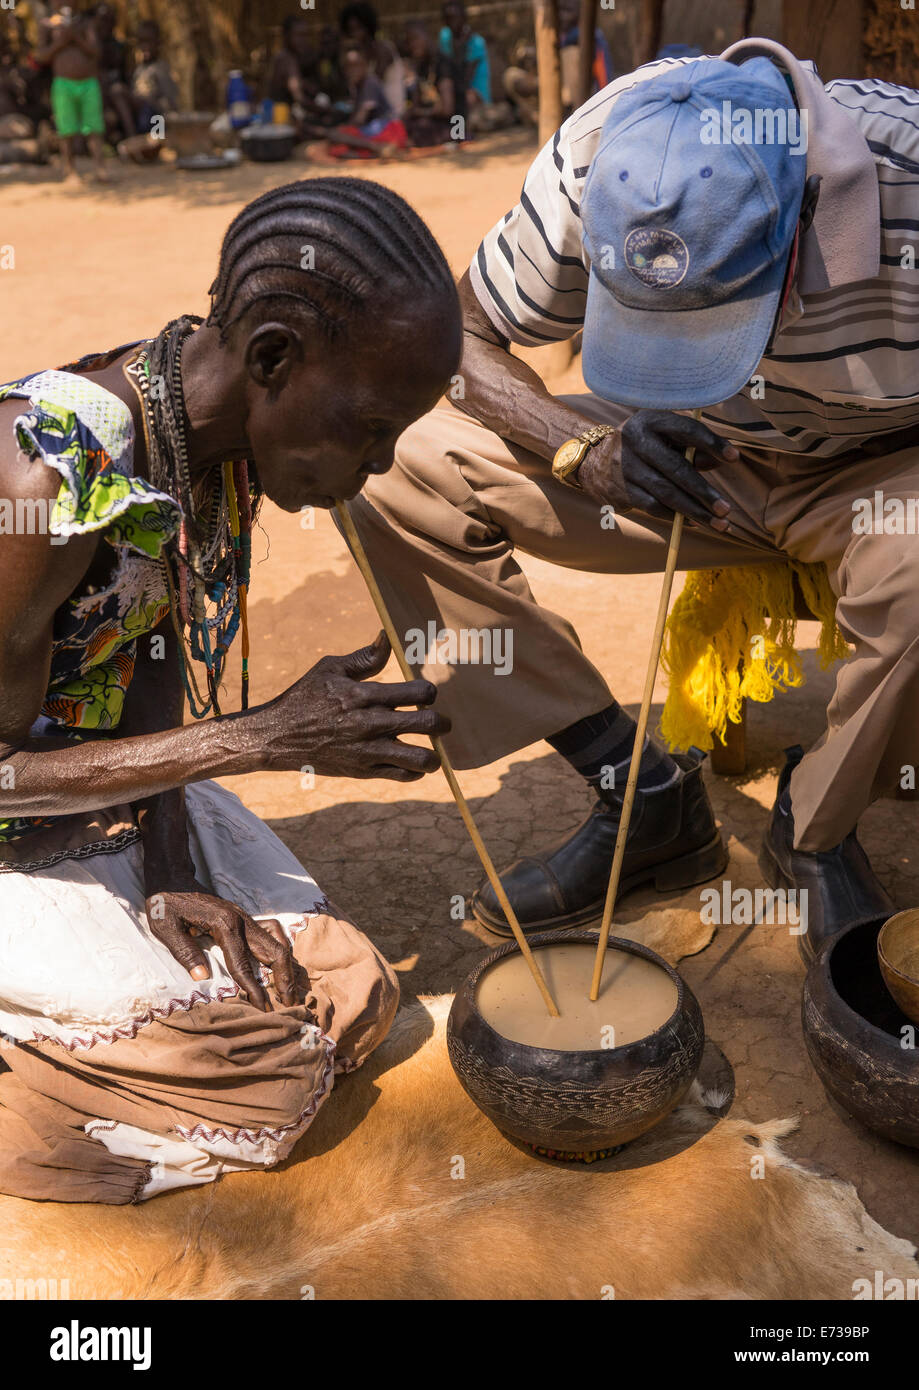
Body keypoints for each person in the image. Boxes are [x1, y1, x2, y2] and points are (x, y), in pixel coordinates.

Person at [344, 38, 919, 967]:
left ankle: (813, 833)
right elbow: (462, 338)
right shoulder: (596, 158)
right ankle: (642, 794)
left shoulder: (909, 181)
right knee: (398, 458)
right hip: (684, 463)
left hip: (880, 474)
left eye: (712, 319)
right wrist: (582, 447)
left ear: (805, 218)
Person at [0, 177, 461, 1204]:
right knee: (259, 1080)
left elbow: (149, 654)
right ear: (272, 360)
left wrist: (173, 868)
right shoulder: (39, 481)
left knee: (347, 994)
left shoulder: (203, 437)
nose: (380, 462)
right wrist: (259, 738)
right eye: (372, 424)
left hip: (93, 795)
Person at [36, 0, 108, 181]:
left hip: (89, 84)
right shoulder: (47, 25)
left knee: (94, 127)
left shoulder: (85, 23)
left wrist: (76, 37)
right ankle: (70, 170)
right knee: (65, 129)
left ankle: (100, 169)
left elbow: (96, 52)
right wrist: (62, 41)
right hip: (62, 85)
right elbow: (41, 56)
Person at [329, 45, 408, 157]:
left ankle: (376, 147)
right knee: (339, 139)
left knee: (335, 135)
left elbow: (359, 119)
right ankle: (371, 151)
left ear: (365, 65)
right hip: (377, 129)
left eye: (356, 65)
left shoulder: (369, 83)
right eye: (349, 66)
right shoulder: (357, 86)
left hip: (389, 130)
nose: (352, 70)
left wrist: (343, 129)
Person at [339, 1, 405, 118]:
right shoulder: (360, 55)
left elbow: (370, 88)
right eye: (351, 30)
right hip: (372, 114)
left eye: (359, 28)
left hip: (390, 116)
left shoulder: (384, 50)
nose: (355, 34)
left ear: (369, 27)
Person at [400, 20, 454, 147]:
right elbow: (416, 103)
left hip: (455, 123)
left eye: (415, 39)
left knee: (421, 130)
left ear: (427, 36)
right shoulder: (421, 65)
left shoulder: (442, 64)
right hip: (432, 119)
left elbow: (447, 110)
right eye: (409, 41)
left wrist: (419, 112)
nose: (412, 44)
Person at [439, 0, 489, 133]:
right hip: (456, 88)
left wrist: (460, 48)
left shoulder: (476, 42)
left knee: (464, 98)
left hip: (473, 90)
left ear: (463, 18)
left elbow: (465, 78)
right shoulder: (445, 36)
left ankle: (460, 132)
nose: (452, 21)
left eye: (455, 17)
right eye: (448, 18)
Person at [93, 2, 134, 142]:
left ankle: (132, 138)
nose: (106, 25)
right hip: (96, 100)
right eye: (102, 20)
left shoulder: (120, 47)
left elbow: (126, 77)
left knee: (117, 91)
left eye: (109, 20)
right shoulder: (89, 47)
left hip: (117, 101)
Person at [129, 19, 178, 133]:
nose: (145, 47)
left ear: (158, 43)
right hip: (141, 114)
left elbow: (170, 102)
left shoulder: (161, 69)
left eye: (149, 42)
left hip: (155, 117)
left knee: (150, 117)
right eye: (141, 42)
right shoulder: (139, 69)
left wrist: (148, 100)